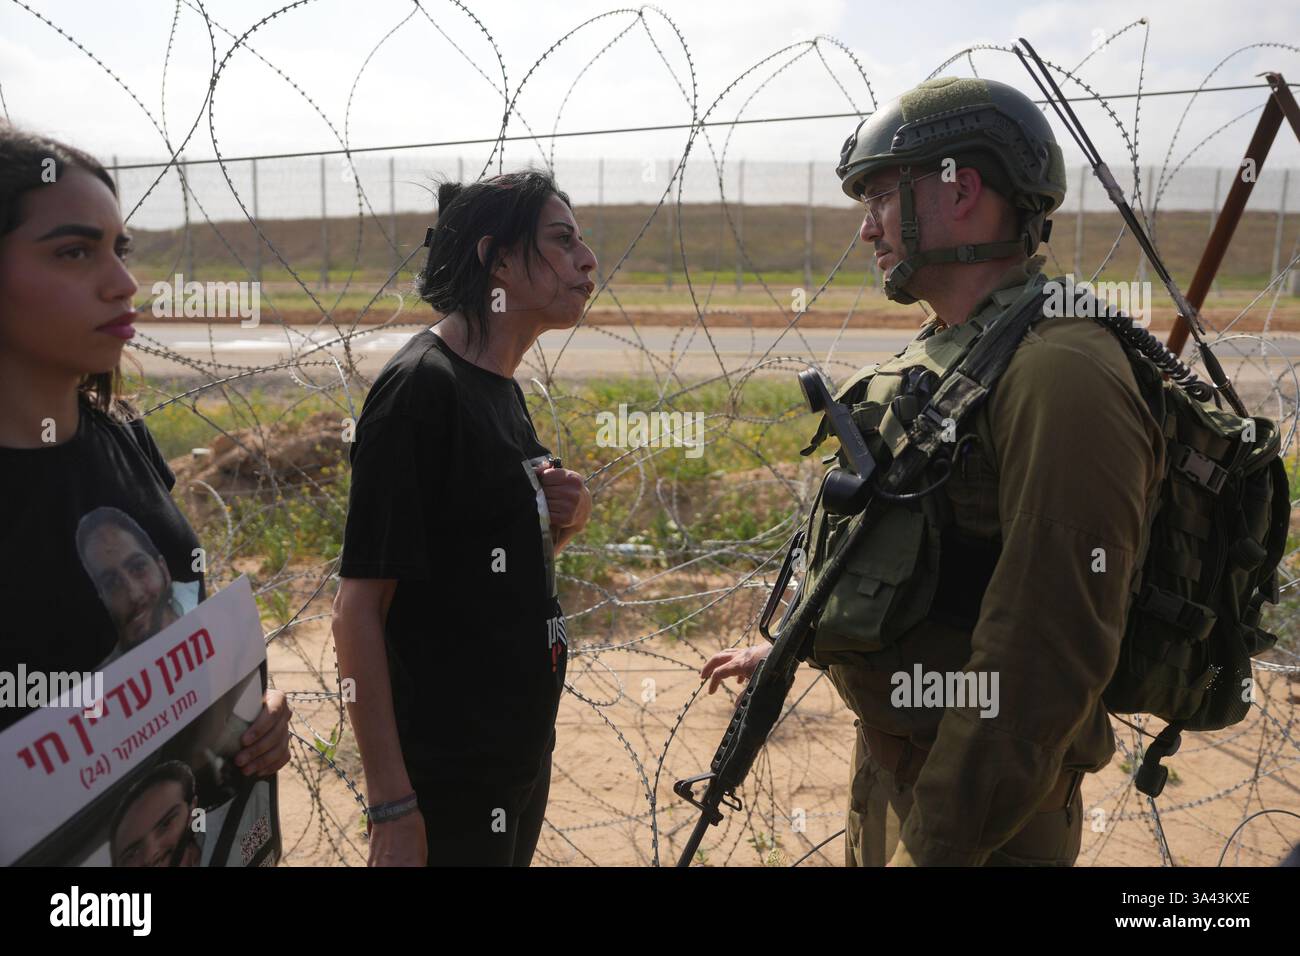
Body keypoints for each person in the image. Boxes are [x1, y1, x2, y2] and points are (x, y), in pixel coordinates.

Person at [701, 77, 1165, 866]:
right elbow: (928, 555)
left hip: (984, 813)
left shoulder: (1060, 369)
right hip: (898, 773)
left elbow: (1044, 652)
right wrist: (805, 644)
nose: (866, 230)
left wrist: (942, 842)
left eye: (881, 197)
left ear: (960, 189)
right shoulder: (954, 349)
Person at [0, 125, 292, 788]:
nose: (125, 284)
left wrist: (244, 712)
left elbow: (182, 636)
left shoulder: (123, 435)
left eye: (120, 250)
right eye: (75, 253)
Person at [334, 170, 596, 867]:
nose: (587, 260)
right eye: (563, 241)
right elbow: (356, 609)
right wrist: (393, 806)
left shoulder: (499, 385)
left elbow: (481, 559)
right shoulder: (424, 388)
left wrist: (562, 518)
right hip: (445, 779)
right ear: (499, 260)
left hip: (511, 761)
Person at [76, 506, 201, 658]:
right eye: (112, 583)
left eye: (138, 568)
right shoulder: (109, 677)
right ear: (102, 597)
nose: (134, 595)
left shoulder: (208, 612)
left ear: (163, 569)